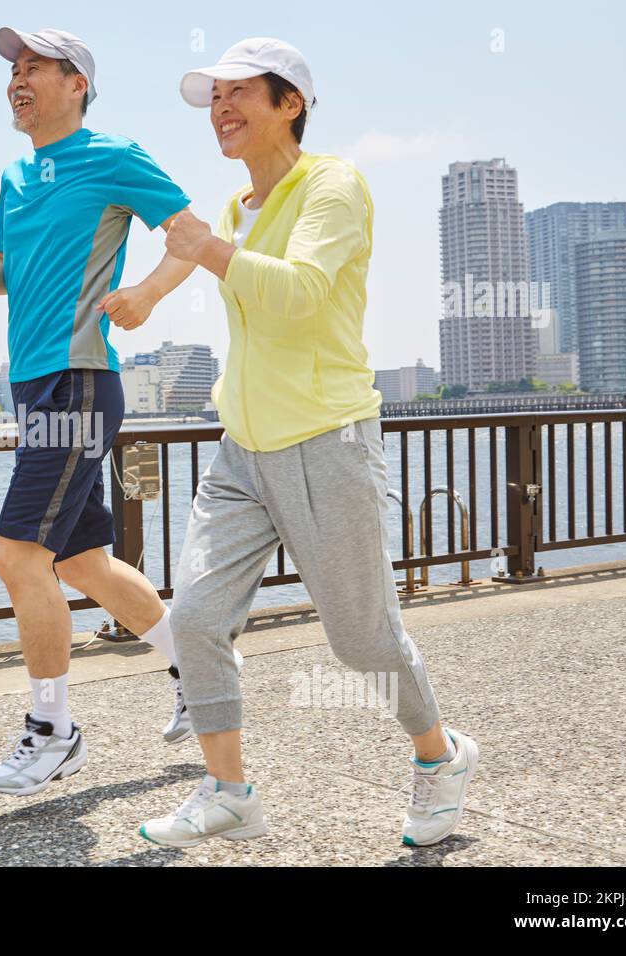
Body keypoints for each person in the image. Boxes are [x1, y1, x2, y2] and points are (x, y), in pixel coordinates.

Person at [138, 38, 479, 847]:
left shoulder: (333, 184)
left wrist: (207, 251)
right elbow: (197, 255)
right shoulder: (232, 208)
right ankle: (229, 792)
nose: (220, 110)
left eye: (238, 93)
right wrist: (145, 295)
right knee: (193, 616)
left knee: (362, 641)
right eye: (212, 98)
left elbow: (300, 294)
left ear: (290, 102)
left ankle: (439, 756)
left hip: (326, 439)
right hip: (242, 449)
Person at [0, 27, 235, 796]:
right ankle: (197, 672)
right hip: (33, 383)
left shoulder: (112, 155)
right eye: (13, 67)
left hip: (79, 380)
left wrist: (146, 293)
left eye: (34, 65)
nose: (18, 77)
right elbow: (10, 273)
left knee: (18, 557)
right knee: (80, 563)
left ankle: (54, 731)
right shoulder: (16, 174)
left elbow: (192, 235)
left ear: (77, 83)